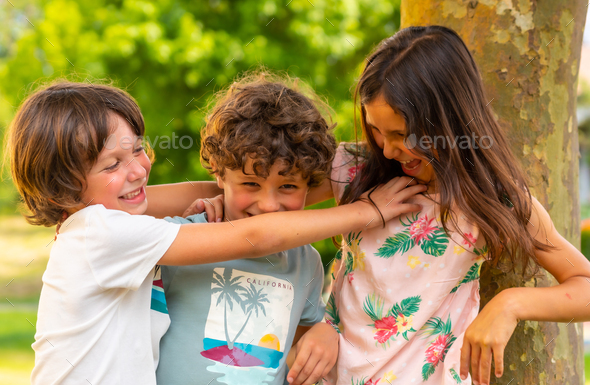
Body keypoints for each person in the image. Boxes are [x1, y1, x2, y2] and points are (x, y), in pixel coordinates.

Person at [6, 80, 426, 385]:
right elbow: (257, 238)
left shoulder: (112, 220)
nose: (136, 170)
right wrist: (365, 211)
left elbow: (186, 194)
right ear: (64, 183)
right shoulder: (100, 233)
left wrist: (238, 186)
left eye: (137, 149)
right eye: (112, 164)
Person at [302, 25, 590, 385]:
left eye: (401, 135)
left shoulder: (493, 200)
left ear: (448, 123)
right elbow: (262, 200)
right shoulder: (357, 171)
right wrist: (212, 205)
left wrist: (511, 304)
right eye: (376, 130)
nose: (388, 149)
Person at [156, 72, 342, 385]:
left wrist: (328, 333)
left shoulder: (305, 262)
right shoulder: (181, 239)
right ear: (218, 175)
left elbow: (300, 350)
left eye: (287, 185)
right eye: (250, 183)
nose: (268, 205)